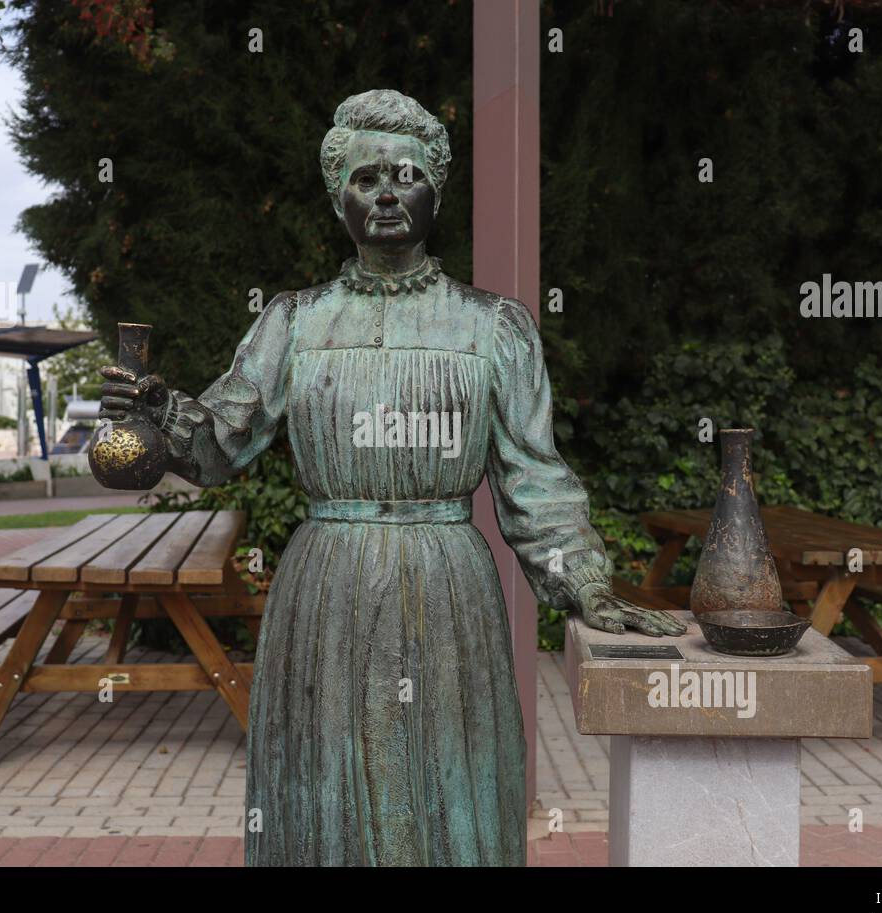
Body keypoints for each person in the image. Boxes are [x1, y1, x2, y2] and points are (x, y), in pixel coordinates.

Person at [99, 90, 683, 867]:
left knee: (450, 791)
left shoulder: (493, 328)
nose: (383, 193)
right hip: (326, 591)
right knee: (324, 792)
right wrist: (160, 410)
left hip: (447, 590)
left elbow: (534, 479)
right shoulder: (293, 323)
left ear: (434, 192)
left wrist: (586, 584)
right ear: (337, 194)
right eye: (363, 177)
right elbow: (215, 449)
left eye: (404, 176)